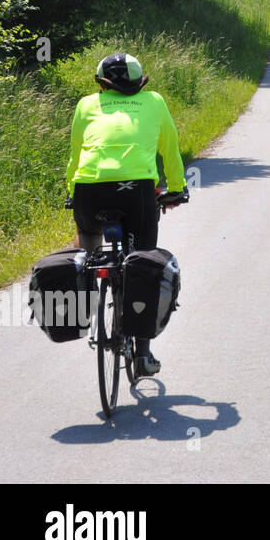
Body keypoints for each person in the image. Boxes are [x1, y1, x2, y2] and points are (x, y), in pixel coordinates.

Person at [67, 52, 188, 377]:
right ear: (139, 83)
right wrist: (176, 188)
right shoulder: (154, 102)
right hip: (137, 192)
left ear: (102, 85)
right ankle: (142, 355)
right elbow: (170, 147)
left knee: (88, 240)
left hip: (89, 191)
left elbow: (76, 154)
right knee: (143, 260)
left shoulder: (86, 105)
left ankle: (87, 289)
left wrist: (71, 193)